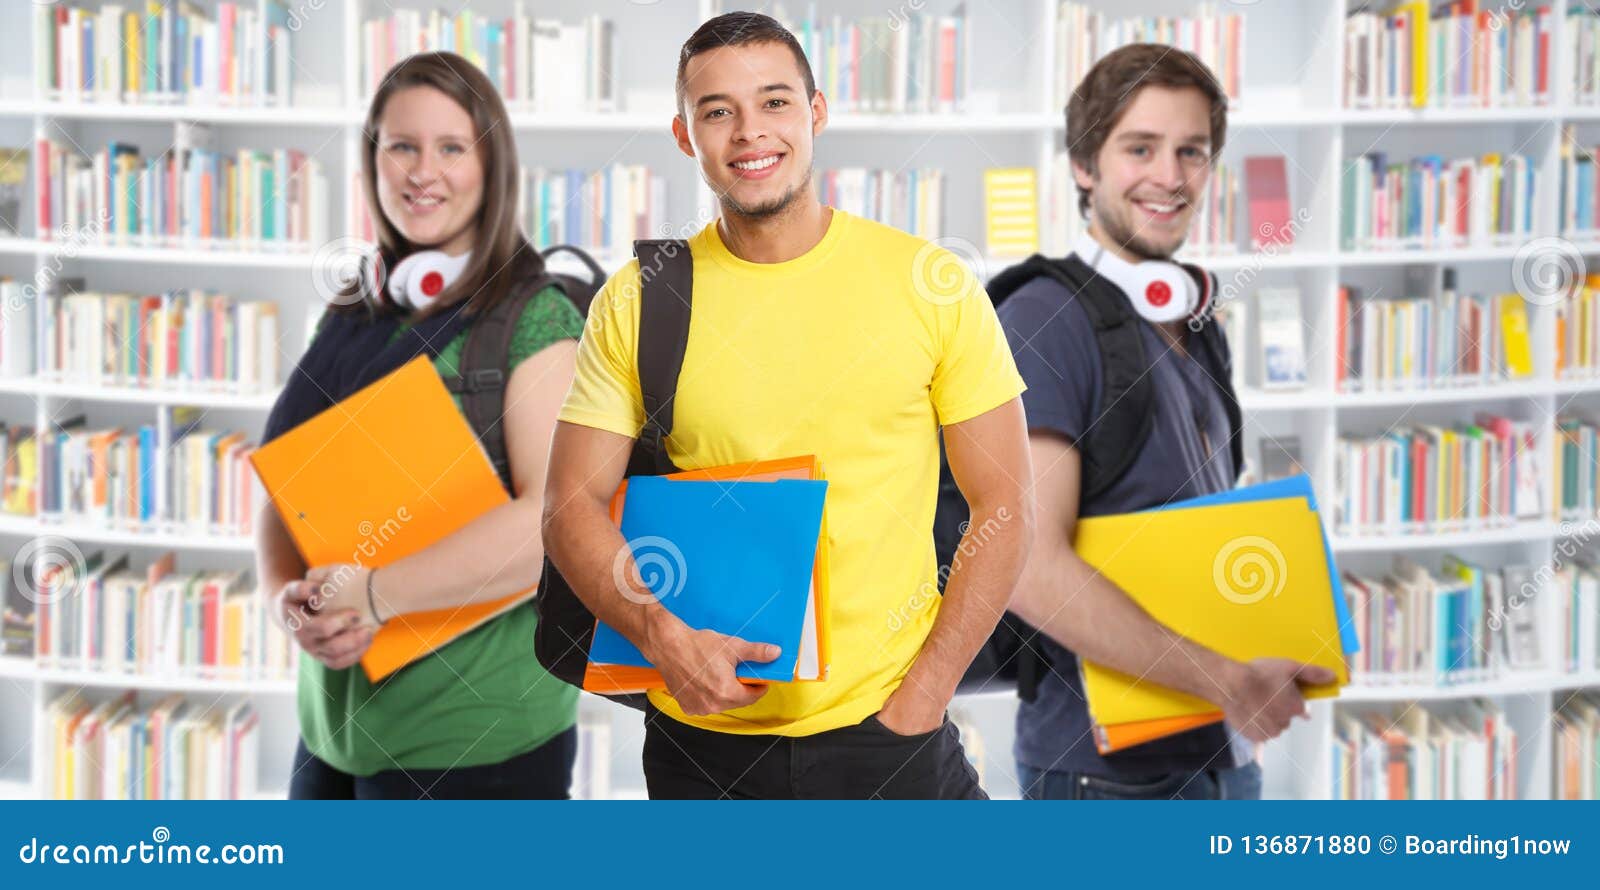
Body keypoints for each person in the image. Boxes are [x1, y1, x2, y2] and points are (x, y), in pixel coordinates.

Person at [541, 12, 1032, 800]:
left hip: (892, 737)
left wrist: (926, 695)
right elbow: (570, 506)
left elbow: (1006, 501)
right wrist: (661, 639)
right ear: (683, 135)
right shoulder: (638, 300)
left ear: (816, 112)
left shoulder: (929, 284)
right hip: (699, 742)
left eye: (774, 102)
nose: (748, 132)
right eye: (717, 111)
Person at [997, 44, 1334, 801]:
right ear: (1085, 166)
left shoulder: (1191, 317)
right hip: (1104, 777)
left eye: (1192, 152)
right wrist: (1224, 677)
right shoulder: (1045, 319)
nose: (1171, 177)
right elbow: (1027, 564)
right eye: (1139, 148)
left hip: (1216, 752)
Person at [255, 52, 584, 800]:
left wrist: (372, 597)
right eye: (401, 145)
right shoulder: (354, 307)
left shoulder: (534, 318)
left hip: (475, 741)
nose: (421, 171)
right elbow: (288, 480)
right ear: (372, 158)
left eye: (450, 148)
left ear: (491, 163)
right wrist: (286, 598)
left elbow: (552, 522)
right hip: (331, 736)